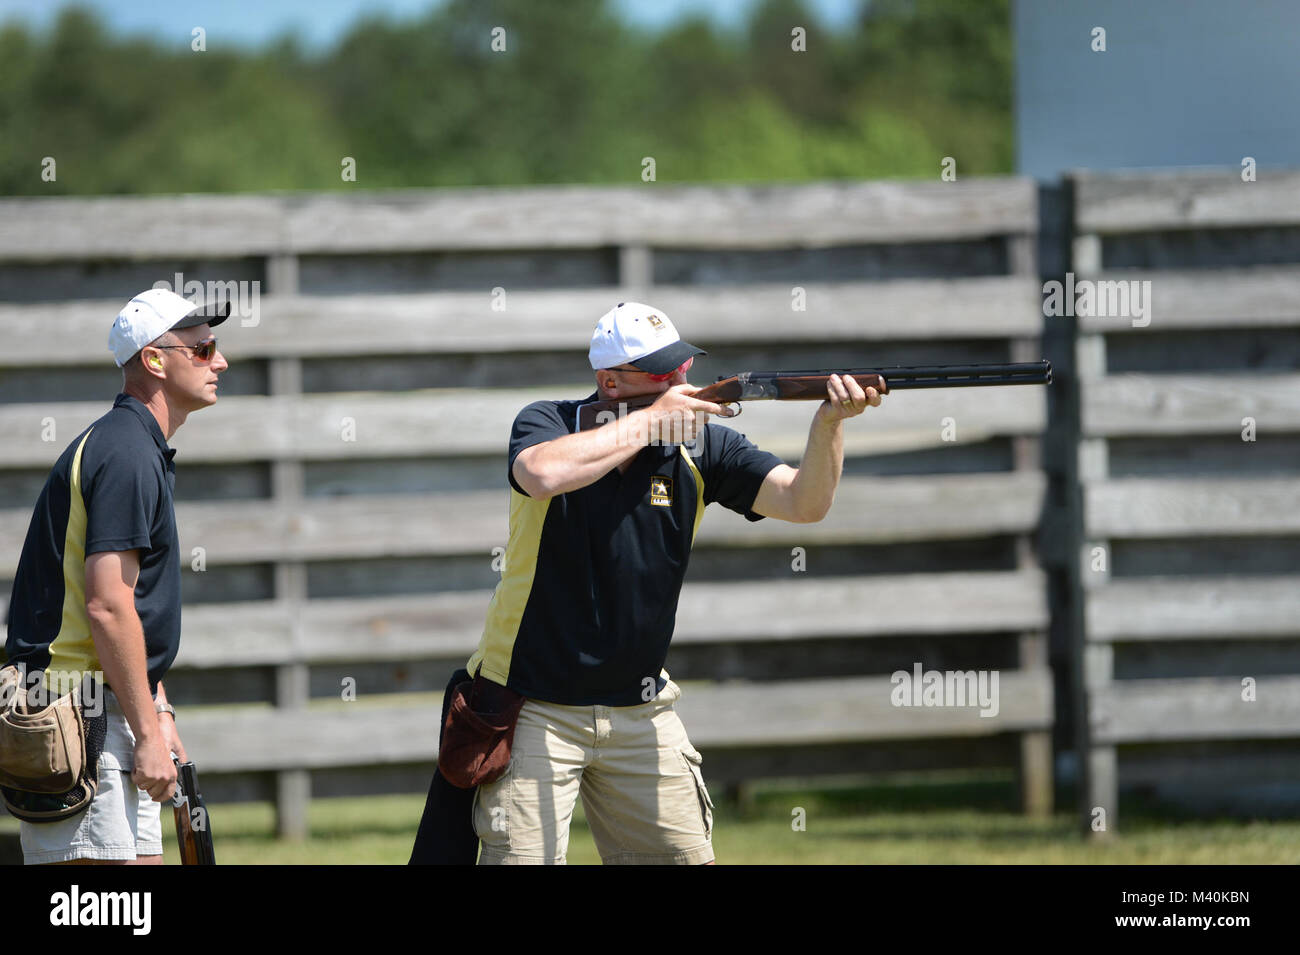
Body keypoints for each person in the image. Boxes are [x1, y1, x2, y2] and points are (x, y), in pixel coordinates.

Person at [461, 301, 882, 865]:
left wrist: (828, 425)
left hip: (641, 707)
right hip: (534, 703)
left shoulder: (704, 445)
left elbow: (804, 503)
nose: (681, 380)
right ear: (609, 382)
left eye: (682, 366)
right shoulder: (550, 420)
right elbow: (540, 474)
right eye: (661, 374)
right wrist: (648, 422)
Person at [2, 288, 229, 865]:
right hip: (75, 714)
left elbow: (132, 608)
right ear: (156, 360)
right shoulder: (126, 452)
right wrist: (149, 733)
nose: (219, 362)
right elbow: (107, 606)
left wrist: (159, 711)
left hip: (108, 707)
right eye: (202, 350)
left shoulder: (133, 445)